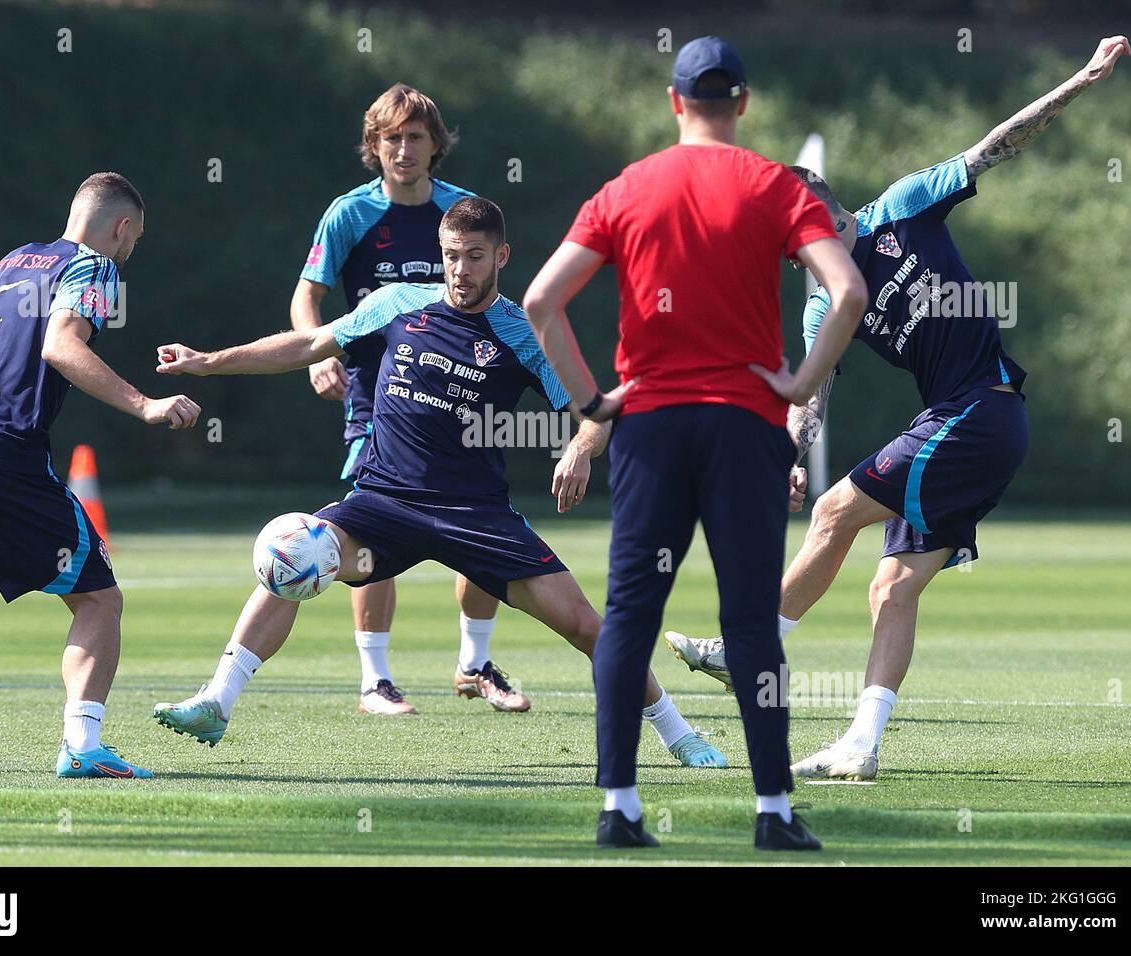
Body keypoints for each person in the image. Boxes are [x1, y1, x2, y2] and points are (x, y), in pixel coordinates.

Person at [665, 36, 1131, 782]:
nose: (791, 253)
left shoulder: (902, 209)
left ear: (819, 200)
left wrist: (1079, 78)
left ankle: (748, 647)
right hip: (969, 424)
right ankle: (862, 744)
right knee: (893, 585)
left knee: (834, 513)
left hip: (980, 410)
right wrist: (788, 455)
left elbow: (995, 146)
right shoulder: (824, 305)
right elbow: (810, 398)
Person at [152, 197, 728, 771]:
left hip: (475, 515)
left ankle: (680, 735)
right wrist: (208, 362)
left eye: (475, 257)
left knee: (585, 625)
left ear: (501, 256)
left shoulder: (526, 332)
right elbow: (307, 344)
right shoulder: (396, 304)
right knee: (294, 553)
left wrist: (578, 452)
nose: (460, 270)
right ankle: (217, 701)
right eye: (451, 256)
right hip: (382, 505)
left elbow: (595, 414)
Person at [523, 36, 866, 849]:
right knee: (750, 621)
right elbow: (846, 290)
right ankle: (775, 813)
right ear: (741, 104)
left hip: (650, 428)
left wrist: (593, 403)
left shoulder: (630, 187)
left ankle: (619, 808)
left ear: (675, 103)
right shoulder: (776, 187)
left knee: (632, 615)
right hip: (746, 426)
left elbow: (541, 299)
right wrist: (801, 382)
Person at [0, 172, 202, 779]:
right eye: (136, 239)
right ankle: (82, 746)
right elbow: (60, 346)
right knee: (99, 597)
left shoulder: (1, 268)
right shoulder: (95, 267)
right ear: (122, 228)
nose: (132, 251)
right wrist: (147, 405)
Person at [292, 83, 517, 716]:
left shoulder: (462, 210)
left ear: (435, 145)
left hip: (463, 390)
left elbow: (489, 290)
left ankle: (475, 664)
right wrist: (321, 353)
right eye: (391, 137)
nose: (403, 148)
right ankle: (376, 680)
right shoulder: (349, 215)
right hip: (378, 396)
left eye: (415, 136)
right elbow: (307, 296)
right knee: (372, 522)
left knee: (483, 514)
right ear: (374, 145)